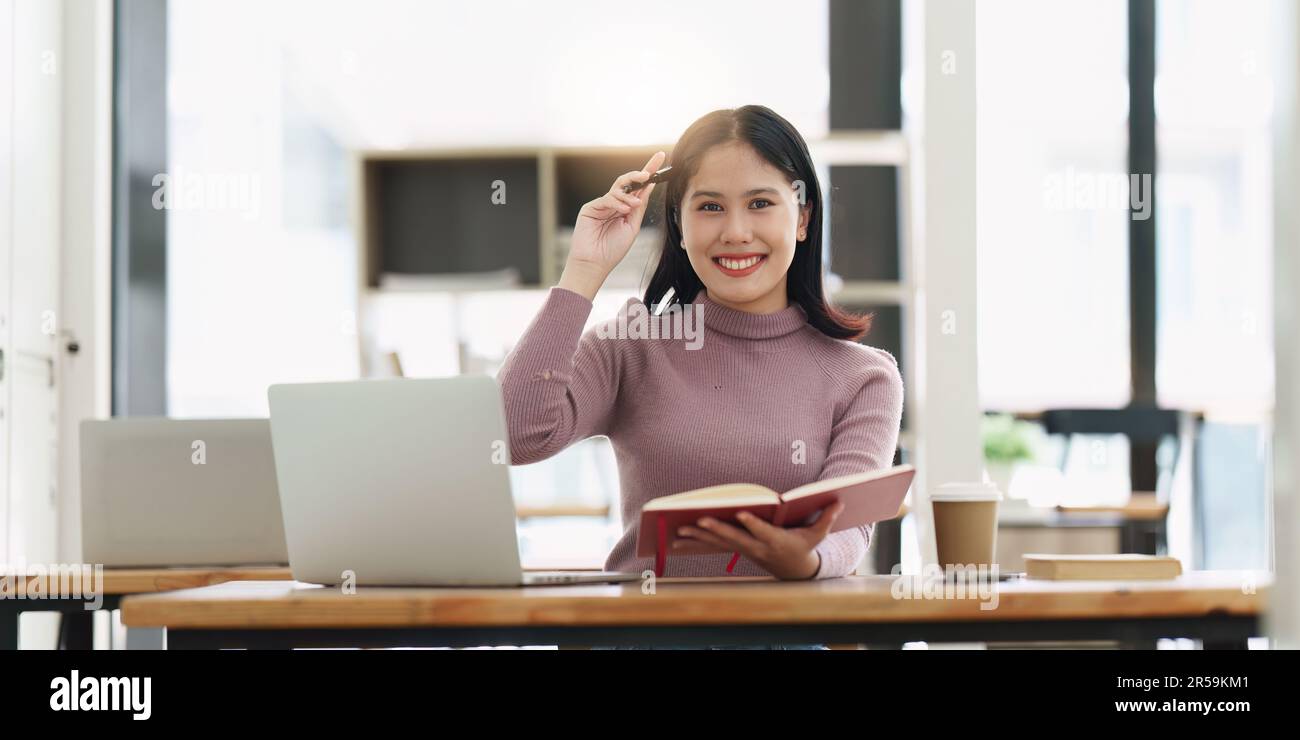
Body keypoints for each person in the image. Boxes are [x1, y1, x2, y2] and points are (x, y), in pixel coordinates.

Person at [498, 105, 904, 649]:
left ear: (802, 218)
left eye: (760, 203)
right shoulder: (634, 343)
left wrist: (804, 559)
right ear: (680, 226)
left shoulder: (864, 377)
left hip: (783, 639)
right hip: (644, 637)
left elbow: (848, 530)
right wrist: (584, 271)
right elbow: (515, 435)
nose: (736, 233)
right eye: (709, 207)